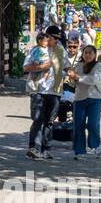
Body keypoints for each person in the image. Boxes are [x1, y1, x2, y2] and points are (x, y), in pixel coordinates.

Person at [25, 24, 65, 160]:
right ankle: (34, 148)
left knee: (49, 121)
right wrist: (43, 66)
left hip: (55, 91)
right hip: (38, 90)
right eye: (54, 37)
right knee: (37, 119)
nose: (57, 40)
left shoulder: (61, 50)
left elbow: (66, 67)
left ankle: (45, 149)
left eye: (58, 38)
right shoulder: (36, 49)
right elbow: (26, 67)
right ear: (47, 36)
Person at [68, 44, 101, 158]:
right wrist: (71, 78)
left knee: (93, 124)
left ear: (95, 55)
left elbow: (94, 79)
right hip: (80, 98)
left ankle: (95, 145)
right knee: (78, 125)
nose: (88, 55)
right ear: (82, 54)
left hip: (95, 98)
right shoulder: (78, 65)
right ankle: (79, 151)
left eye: (90, 53)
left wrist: (78, 77)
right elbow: (73, 83)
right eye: (85, 53)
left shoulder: (98, 65)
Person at [26, 31, 48, 119]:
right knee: (35, 96)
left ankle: (36, 114)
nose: (47, 43)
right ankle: (34, 114)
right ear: (40, 41)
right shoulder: (37, 49)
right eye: (45, 41)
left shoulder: (42, 49)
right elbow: (35, 61)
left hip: (40, 73)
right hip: (36, 71)